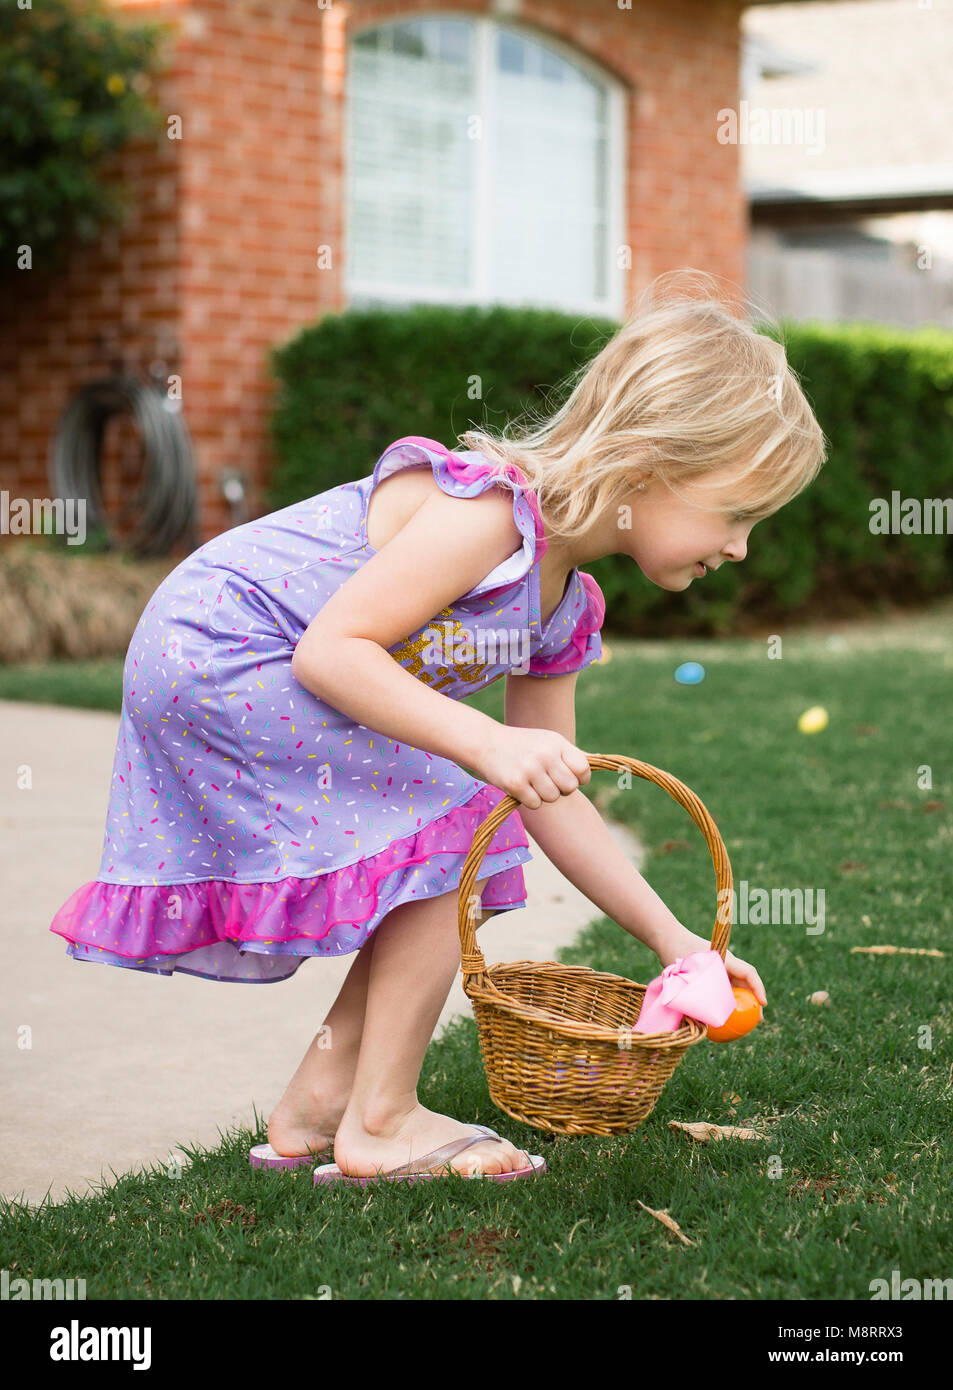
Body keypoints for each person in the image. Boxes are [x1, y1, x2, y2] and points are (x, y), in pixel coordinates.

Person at [49, 273, 827, 1182]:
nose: (739, 548)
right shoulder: (490, 514)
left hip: (240, 664)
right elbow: (332, 653)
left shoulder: (563, 604)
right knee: (454, 809)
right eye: (736, 514)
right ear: (651, 464)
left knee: (444, 825)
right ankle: (382, 1122)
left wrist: (678, 943)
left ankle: (321, 1104)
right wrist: (484, 746)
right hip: (224, 647)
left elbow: (549, 799)